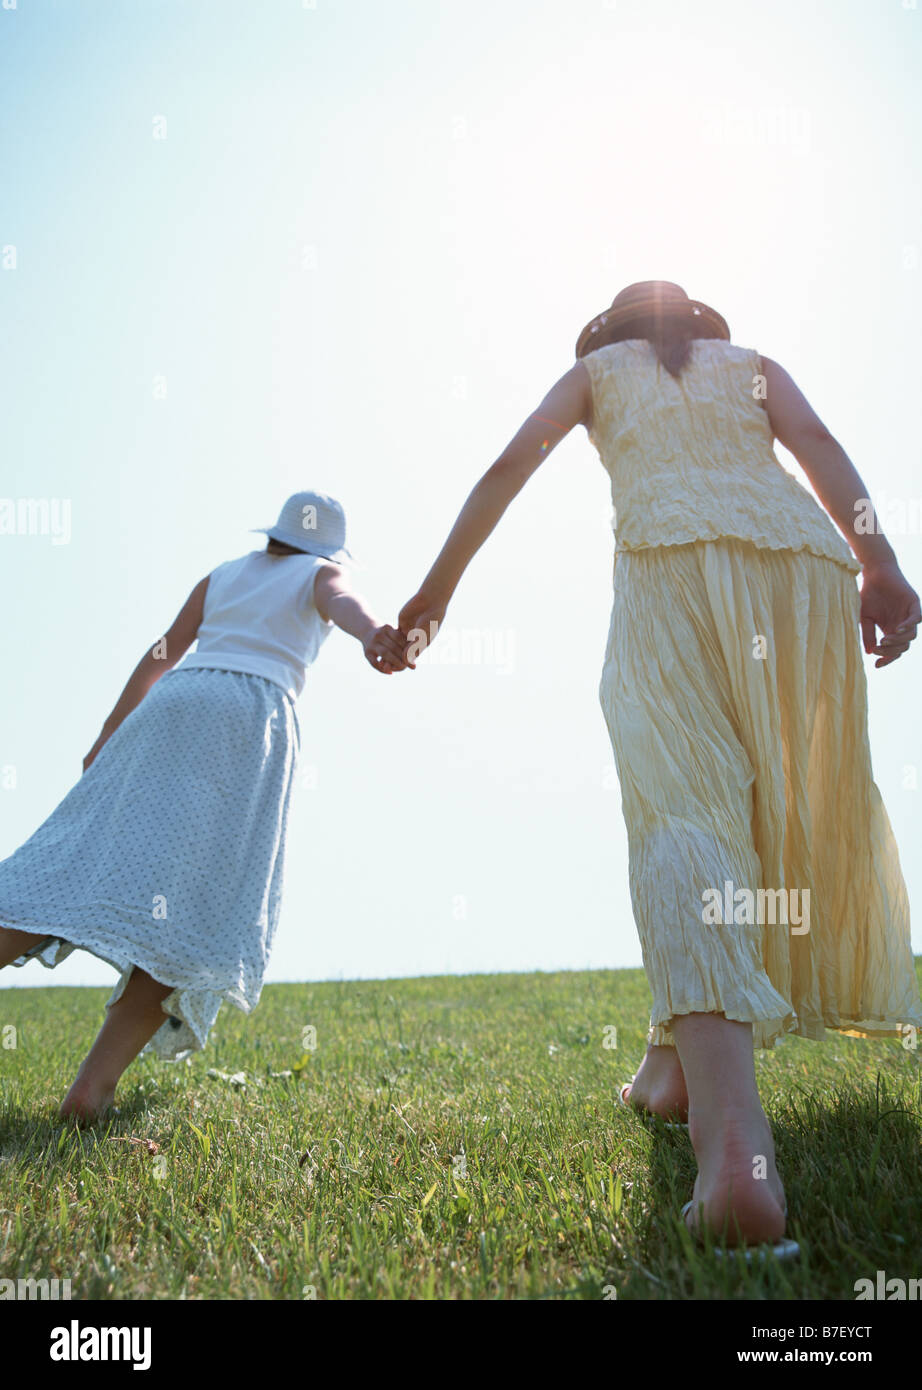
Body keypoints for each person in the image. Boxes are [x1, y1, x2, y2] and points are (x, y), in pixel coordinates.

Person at [398, 280, 921, 1254]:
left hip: (671, 562)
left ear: (611, 335)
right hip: (805, 571)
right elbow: (820, 450)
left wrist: (430, 600)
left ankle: (734, 1160)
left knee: (684, 822)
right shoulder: (754, 367)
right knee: (767, 817)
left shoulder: (595, 372)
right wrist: (880, 562)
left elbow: (512, 462)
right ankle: (666, 1068)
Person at [0, 490, 410, 1121]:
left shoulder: (221, 575)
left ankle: (89, 1088)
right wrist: (373, 633)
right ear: (327, 546)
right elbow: (343, 603)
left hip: (173, 707)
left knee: (84, 865)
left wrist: (110, 731)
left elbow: (164, 650)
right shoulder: (322, 571)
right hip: (247, 720)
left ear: (274, 534)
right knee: (195, 910)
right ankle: (91, 1091)